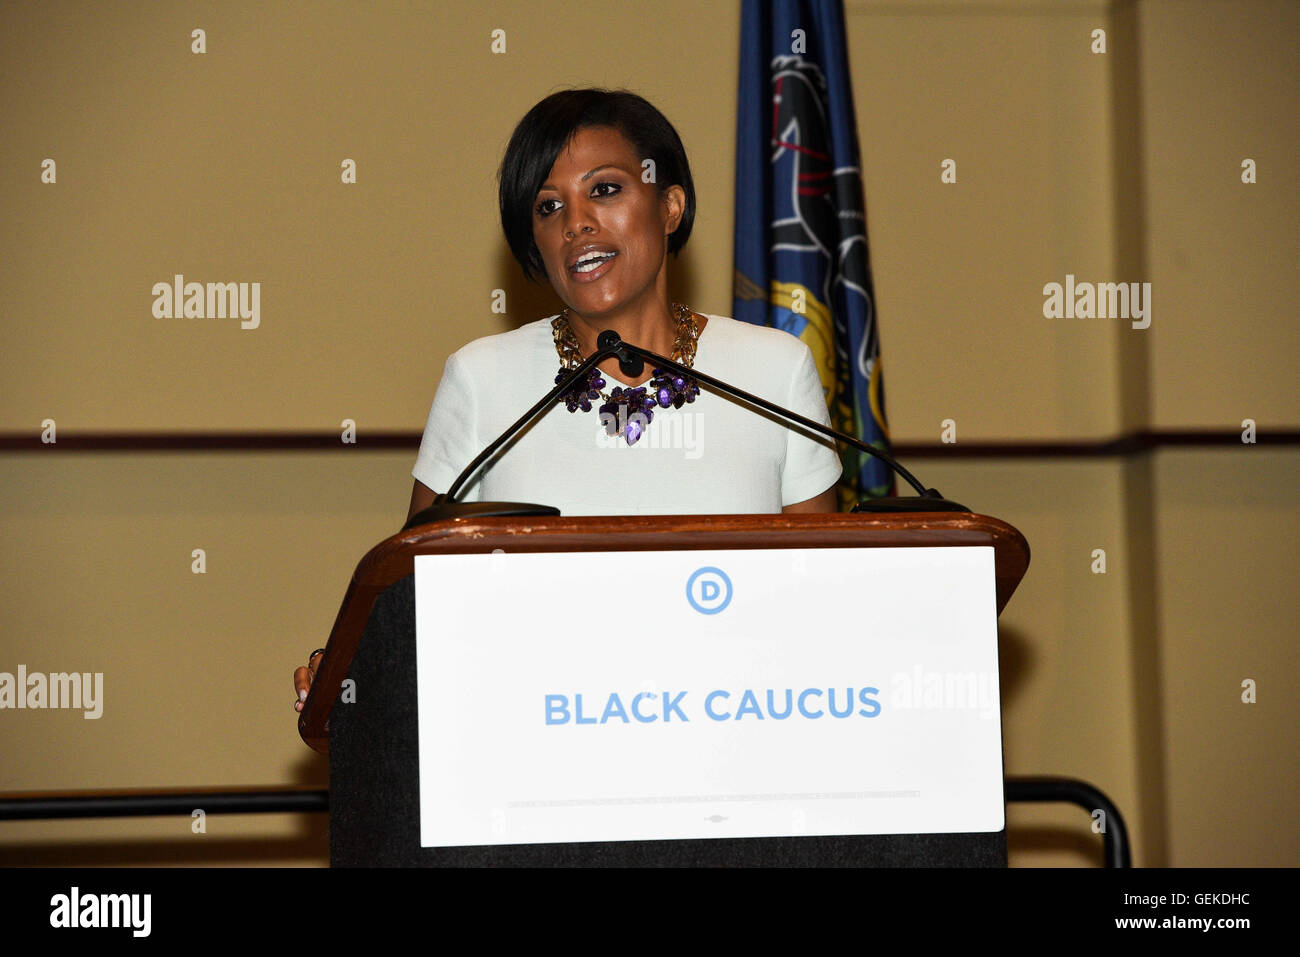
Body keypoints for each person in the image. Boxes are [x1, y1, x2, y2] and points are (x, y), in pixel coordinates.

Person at [295, 88, 841, 711]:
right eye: (548, 206)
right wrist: (350, 668)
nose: (575, 222)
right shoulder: (484, 380)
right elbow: (412, 595)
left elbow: (817, 601)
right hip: (541, 744)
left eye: (604, 190)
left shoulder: (773, 370)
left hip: (740, 729)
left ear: (670, 205)